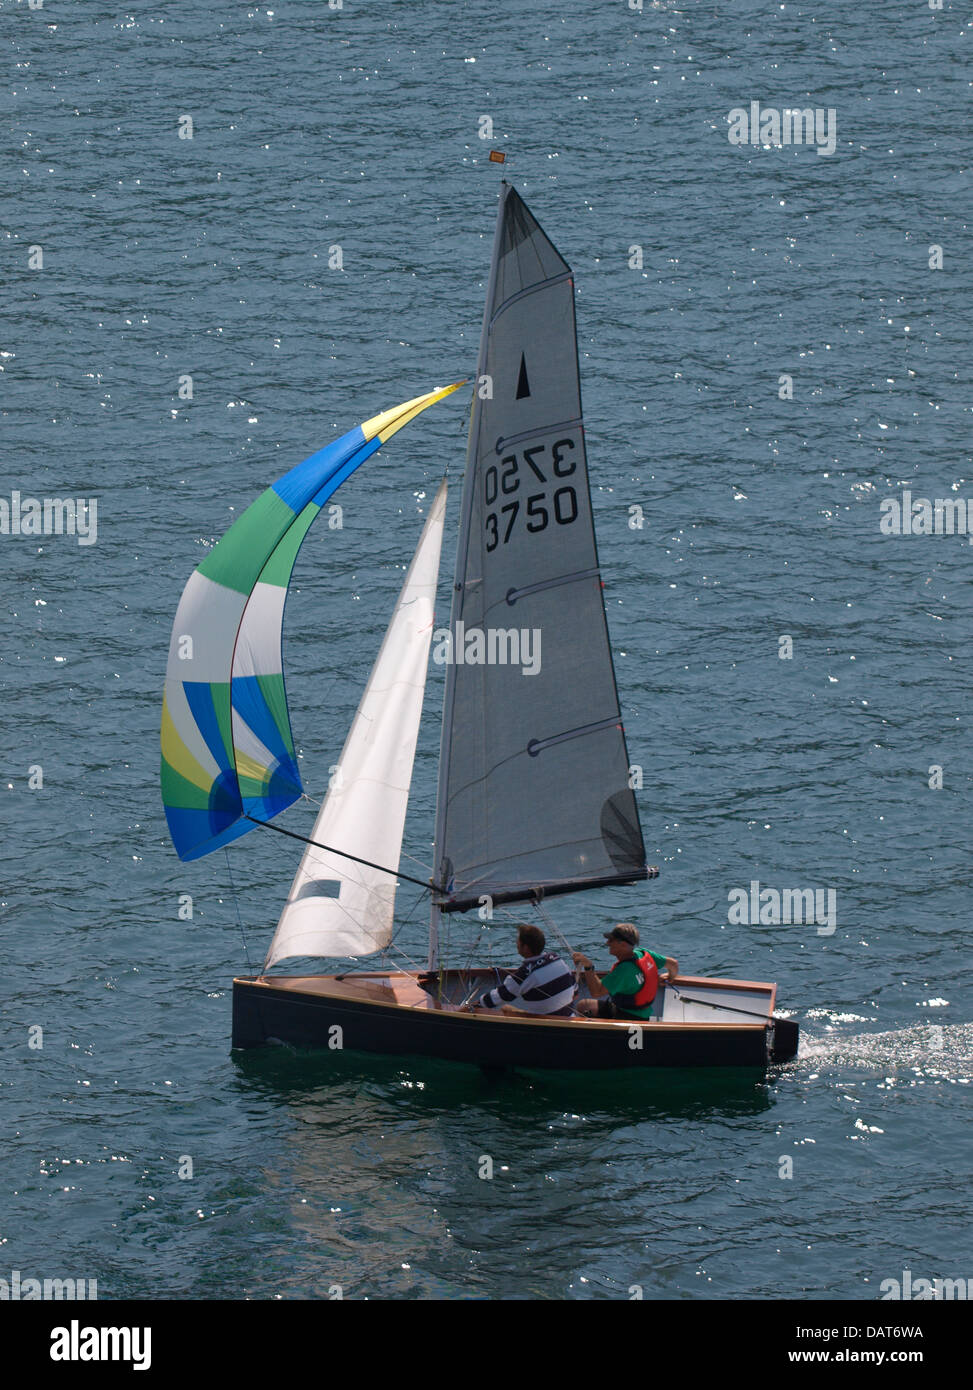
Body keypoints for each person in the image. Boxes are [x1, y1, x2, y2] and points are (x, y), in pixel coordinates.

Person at [572, 924, 677, 1021]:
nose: (607, 943)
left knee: (582, 1006)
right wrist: (670, 977)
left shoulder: (623, 971)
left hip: (629, 1017)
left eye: (611, 940)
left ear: (622, 944)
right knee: (583, 1006)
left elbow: (596, 992)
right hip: (644, 1013)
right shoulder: (644, 954)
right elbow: (673, 964)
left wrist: (588, 966)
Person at [475, 924, 576, 1016]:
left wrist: (472, 1006)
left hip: (545, 1026)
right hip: (570, 1018)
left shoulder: (523, 975)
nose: (516, 944)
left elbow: (497, 997)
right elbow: (575, 991)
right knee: (508, 1008)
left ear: (526, 948)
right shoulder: (557, 959)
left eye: (518, 942)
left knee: (505, 1009)